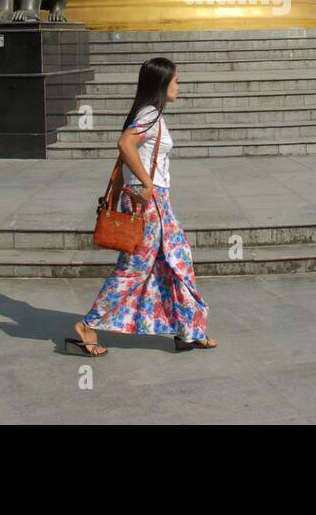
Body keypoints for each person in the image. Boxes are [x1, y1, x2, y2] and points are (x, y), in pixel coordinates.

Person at [68, 56, 214, 356]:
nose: (178, 85)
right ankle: (88, 325)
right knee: (136, 268)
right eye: (175, 80)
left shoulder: (152, 113)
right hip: (148, 201)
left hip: (153, 200)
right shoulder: (149, 113)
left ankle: (189, 329)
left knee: (177, 261)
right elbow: (125, 144)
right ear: (162, 83)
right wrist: (147, 183)